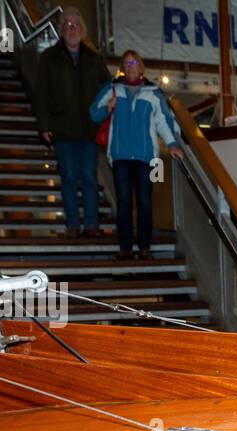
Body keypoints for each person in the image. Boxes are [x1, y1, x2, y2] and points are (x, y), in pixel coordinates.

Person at [90, 50, 183, 260]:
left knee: (145, 202)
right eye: (126, 63)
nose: (130, 66)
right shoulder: (113, 90)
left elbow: (163, 122)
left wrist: (172, 144)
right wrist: (108, 107)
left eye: (134, 63)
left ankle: (144, 247)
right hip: (120, 157)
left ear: (141, 68)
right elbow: (94, 113)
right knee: (123, 203)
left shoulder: (153, 94)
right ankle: (124, 248)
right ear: (122, 69)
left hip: (146, 158)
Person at [34, 8, 110, 238]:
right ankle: (73, 225)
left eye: (75, 25)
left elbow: (107, 89)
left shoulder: (94, 60)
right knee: (68, 178)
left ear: (83, 30)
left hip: (88, 130)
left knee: (88, 177)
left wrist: (108, 108)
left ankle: (92, 225)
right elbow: (41, 94)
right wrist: (44, 124)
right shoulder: (48, 58)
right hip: (61, 128)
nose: (71, 29)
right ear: (61, 30)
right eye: (67, 25)